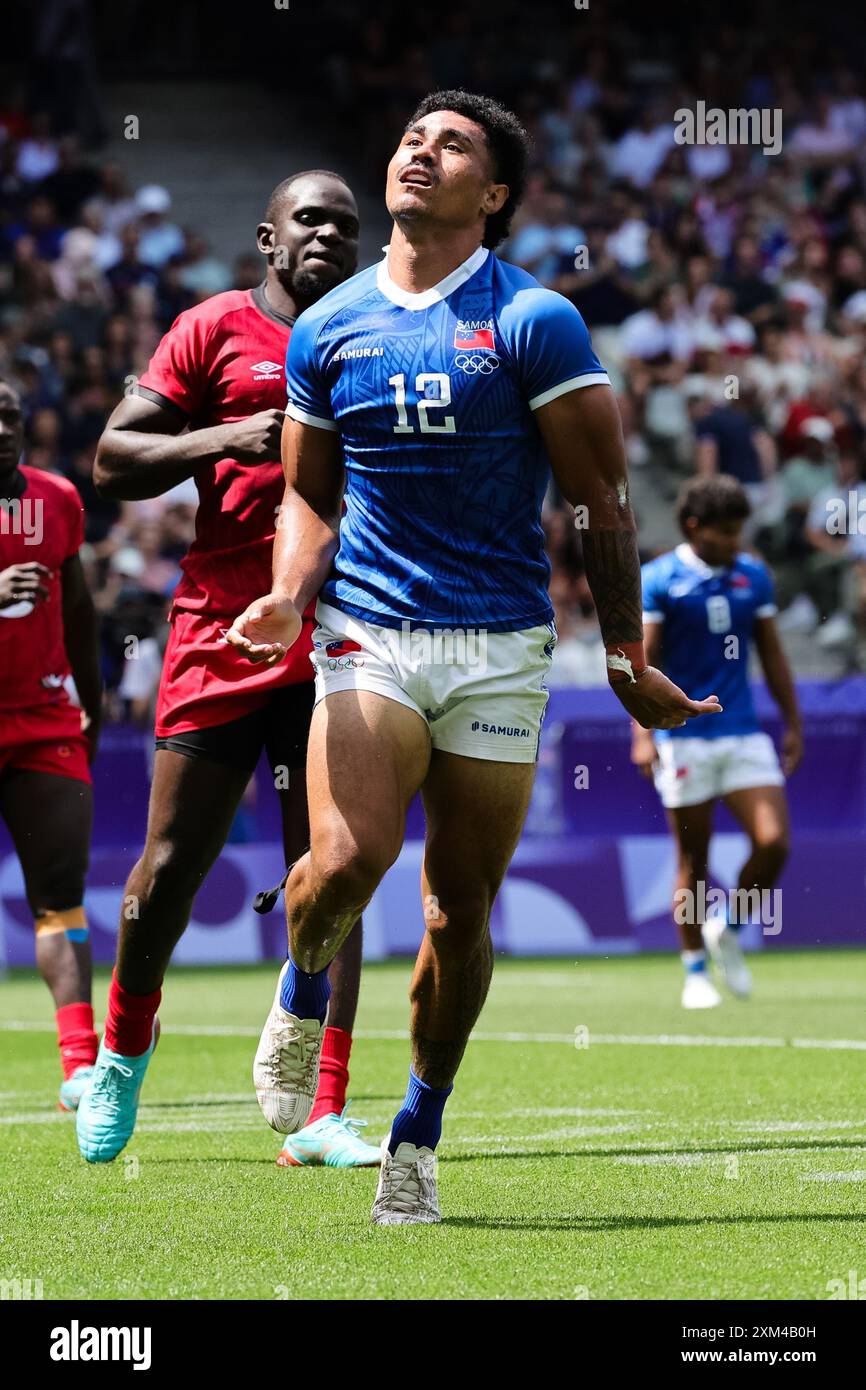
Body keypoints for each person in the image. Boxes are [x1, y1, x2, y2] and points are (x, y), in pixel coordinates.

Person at [226, 91, 720, 1224]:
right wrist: (288, 593)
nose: (418, 150)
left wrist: (624, 650)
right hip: (370, 633)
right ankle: (302, 990)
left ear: (491, 194)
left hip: (498, 645)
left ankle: (418, 1127)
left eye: (450, 145)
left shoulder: (534, 320)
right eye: (410, 134)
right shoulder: (328, 326)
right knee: (348, 860)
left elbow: (601, 498)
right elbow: (309, 493)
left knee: (457, 912)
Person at [76, 172, 379, 1170]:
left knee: (337, 868)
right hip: (221, 627)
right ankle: (122, 1050)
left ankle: (321, 1103)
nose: (330, 232)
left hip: (341, 629)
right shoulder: (210, 328)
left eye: (346, 221)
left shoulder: (382, 332)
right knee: (166, 870)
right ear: (267, 237)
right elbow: (112, 460)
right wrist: (227, 436)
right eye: (311, 219)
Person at [631, 475, 802, 1009]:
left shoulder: (754, 575)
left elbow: (771, 655)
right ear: (693, 527)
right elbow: (642, 665)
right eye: (725, 532)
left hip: (743, 732)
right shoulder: (661, 579)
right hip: (684, 738)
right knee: (694, 861)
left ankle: (725, 927)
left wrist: (793, 721)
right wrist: (643, 732)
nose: (735, 541)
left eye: (739, 531)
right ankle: (695, 972)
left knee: (774, 843)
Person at [0, 378, 102, 1109]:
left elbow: (81, 613)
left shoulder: (58, 499)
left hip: (44, 722)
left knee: (60, 901)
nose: (3, 427)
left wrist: (90, 708)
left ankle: (81, 1066)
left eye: (8, 414)